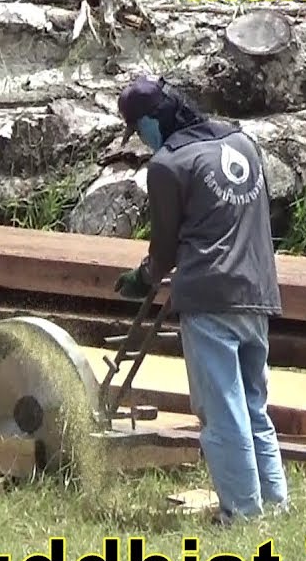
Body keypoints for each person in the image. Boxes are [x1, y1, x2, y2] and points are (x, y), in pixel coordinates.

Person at [112, 75, 287, 525]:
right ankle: (275, 504)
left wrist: (143, 277)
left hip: (209, 297)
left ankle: (242, 515)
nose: (143, 142)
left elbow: (165, 250)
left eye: (139, 130)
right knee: (253, 405)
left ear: (153, 120)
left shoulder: (169, 165)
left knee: (221, 411)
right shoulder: (241, 142)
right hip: (258, 290)